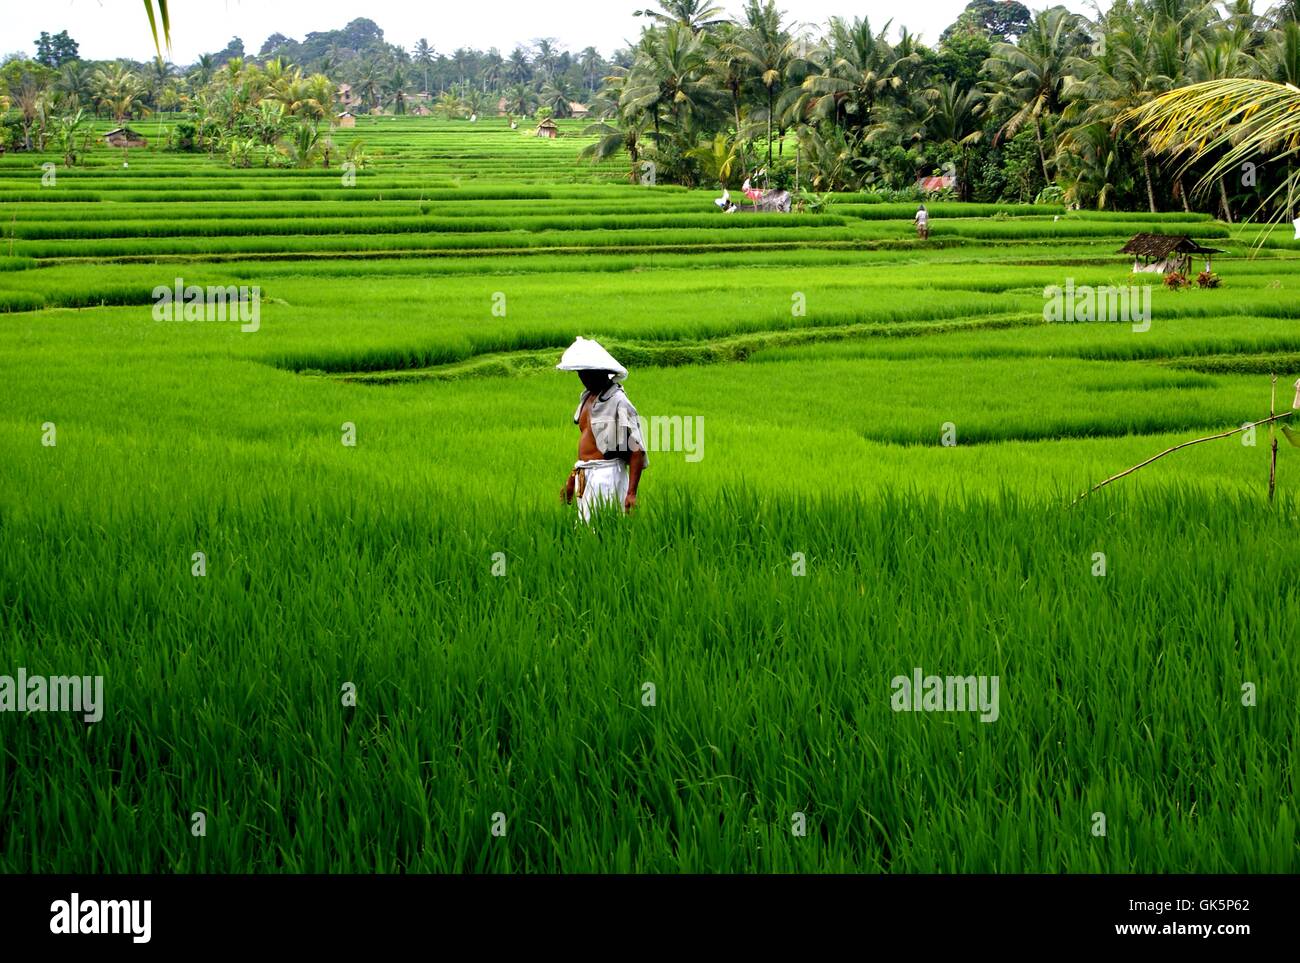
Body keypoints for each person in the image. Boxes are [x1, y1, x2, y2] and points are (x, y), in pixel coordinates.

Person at [556, 337, 648, 522]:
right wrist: (572, 479)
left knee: (602, 530)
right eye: (580, 373)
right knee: (584, 530)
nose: (583, 378)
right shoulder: (587, 398)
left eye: (587, 373)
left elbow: (637, 449)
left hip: (607, 475)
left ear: (602, 372)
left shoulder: (619, 401)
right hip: (584, 474)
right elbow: (586, 447)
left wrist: (631, 493)